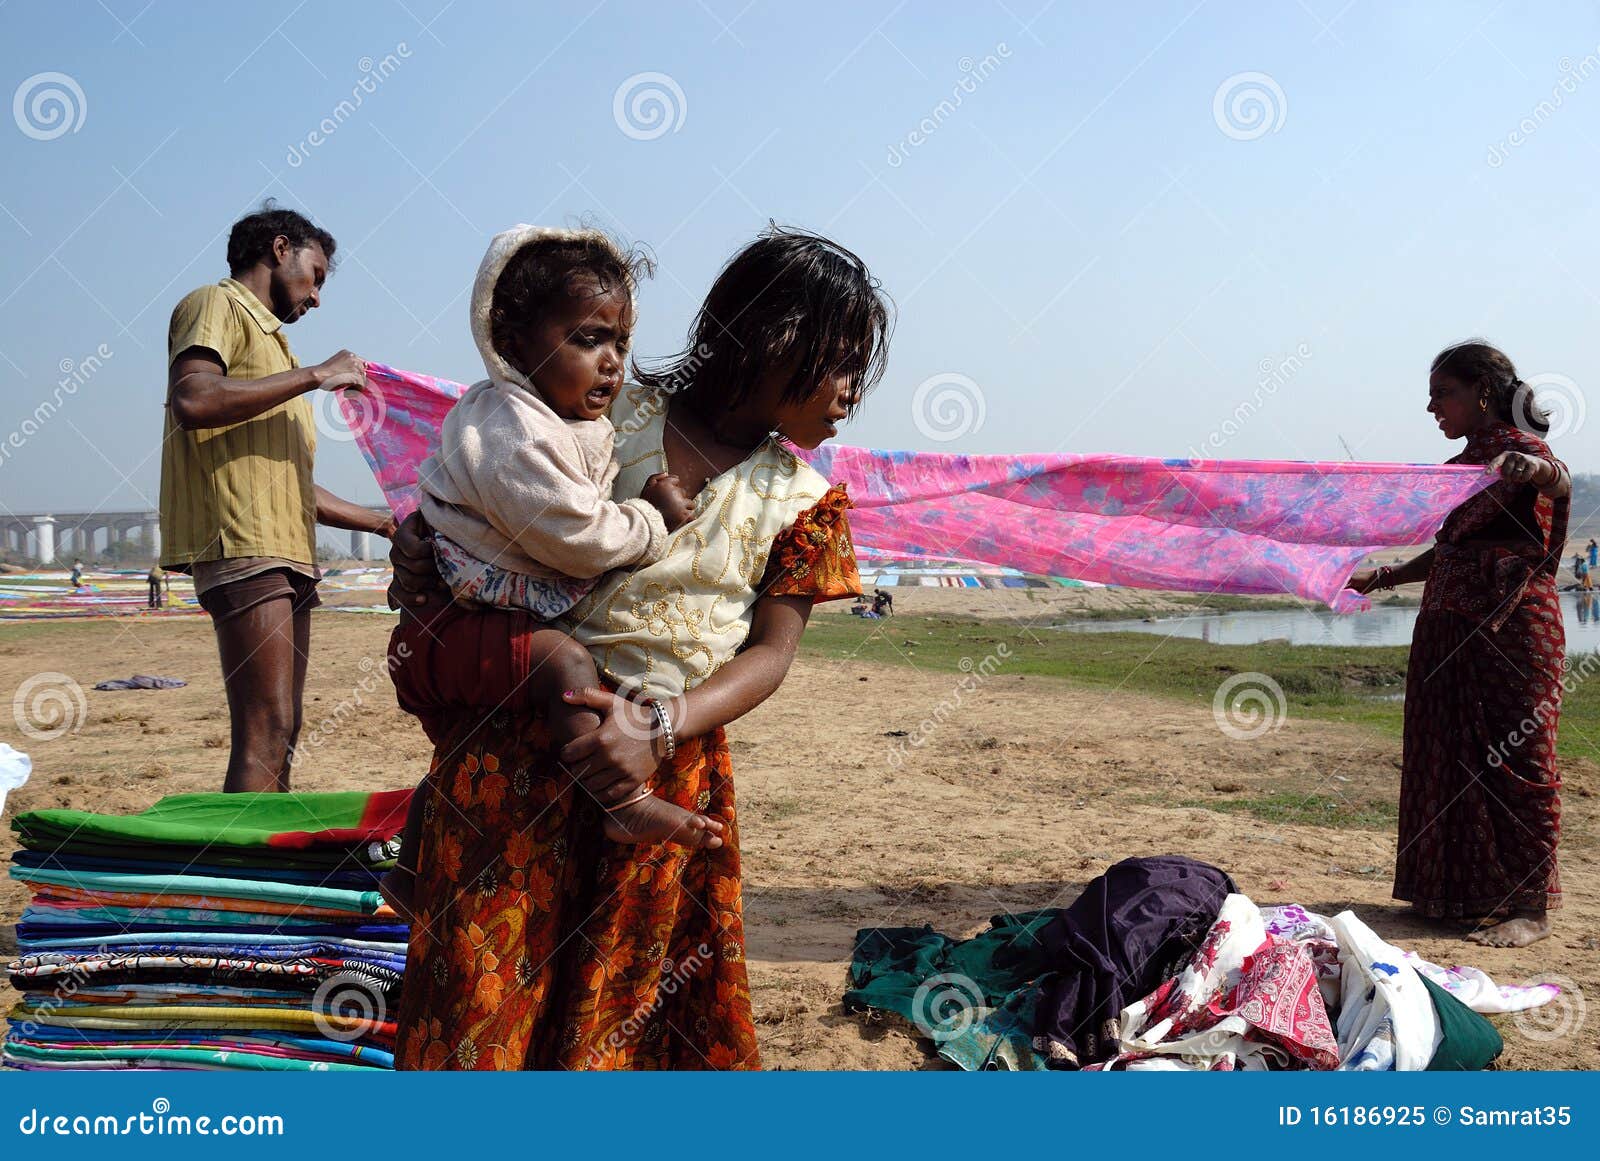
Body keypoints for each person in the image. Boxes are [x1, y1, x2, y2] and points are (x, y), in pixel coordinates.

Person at [386, 226, 888, 1069]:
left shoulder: (808, 502)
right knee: (478, 1004)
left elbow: (770, 655)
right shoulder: (599, 410)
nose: (851, 393)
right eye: (840, 362)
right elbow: (490, 486)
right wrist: (419, 541)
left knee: (620, 1015)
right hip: (517, 748)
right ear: (774, 338)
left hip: (658, 770)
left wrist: (660, 723)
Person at [377, 224, 718, 921]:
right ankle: (621, 803)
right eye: (589, 339)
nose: (612, 363)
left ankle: (409, 872)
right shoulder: (512, 426)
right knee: (565, 662)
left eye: (621, 342)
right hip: (447, 623)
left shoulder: (562, 417)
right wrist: (650, 516)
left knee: (473, 745)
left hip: (475, 612)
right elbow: (576, 536)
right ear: (512, 341)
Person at [159, 205, 395, 793]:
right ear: (280, 249)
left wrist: (381, 523)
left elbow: (290, 486)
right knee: (264, 729)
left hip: (287, 551)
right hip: (244, 547)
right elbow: (193, 399)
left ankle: (267, 848)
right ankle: (240, 854)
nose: (316, 297)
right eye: (316, 277)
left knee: (285, 727)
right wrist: (316, 375)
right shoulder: (215, 304)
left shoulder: (276, 352)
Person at [1349, 341, 1569, 948]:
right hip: (1448, 628)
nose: (1432, 408)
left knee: (1518, 760)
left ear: (1483, 392)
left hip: (1509, 630)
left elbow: (1556, 480)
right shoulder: (1462, 468)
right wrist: (1384, 576)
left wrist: (1534, 471)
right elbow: (1450, 549)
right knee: (1450, 757)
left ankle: (1530, 908)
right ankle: (1457, 895)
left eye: (1443, 393)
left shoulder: (1521, 454)